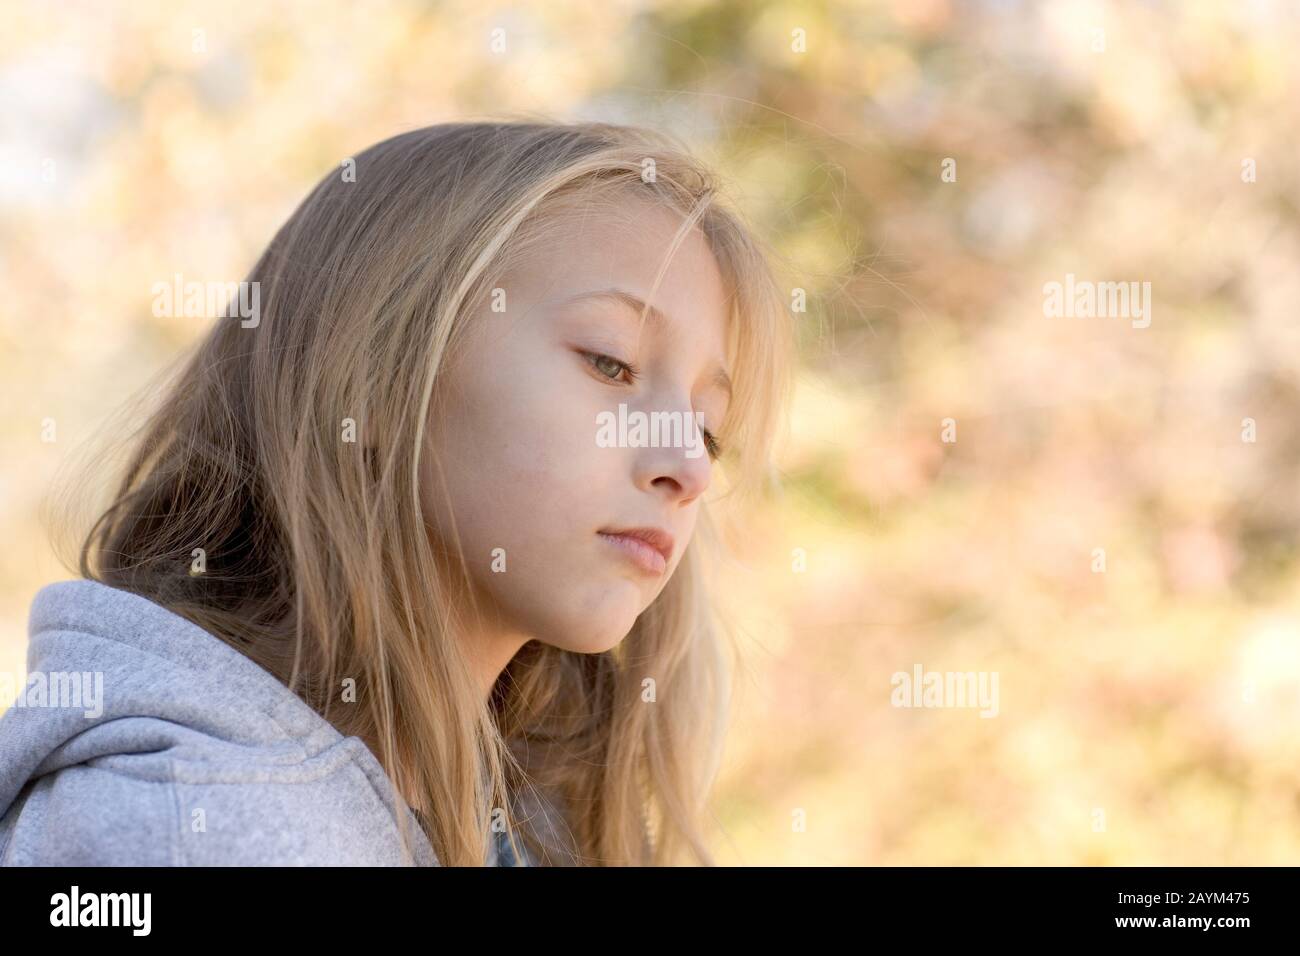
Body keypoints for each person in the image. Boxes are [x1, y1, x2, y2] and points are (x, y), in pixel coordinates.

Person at [0, 120, 794, 866]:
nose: (687, 468)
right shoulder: (199, 829)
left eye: (708, 427)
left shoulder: (524, 823)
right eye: (611, 362)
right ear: (372, 384)